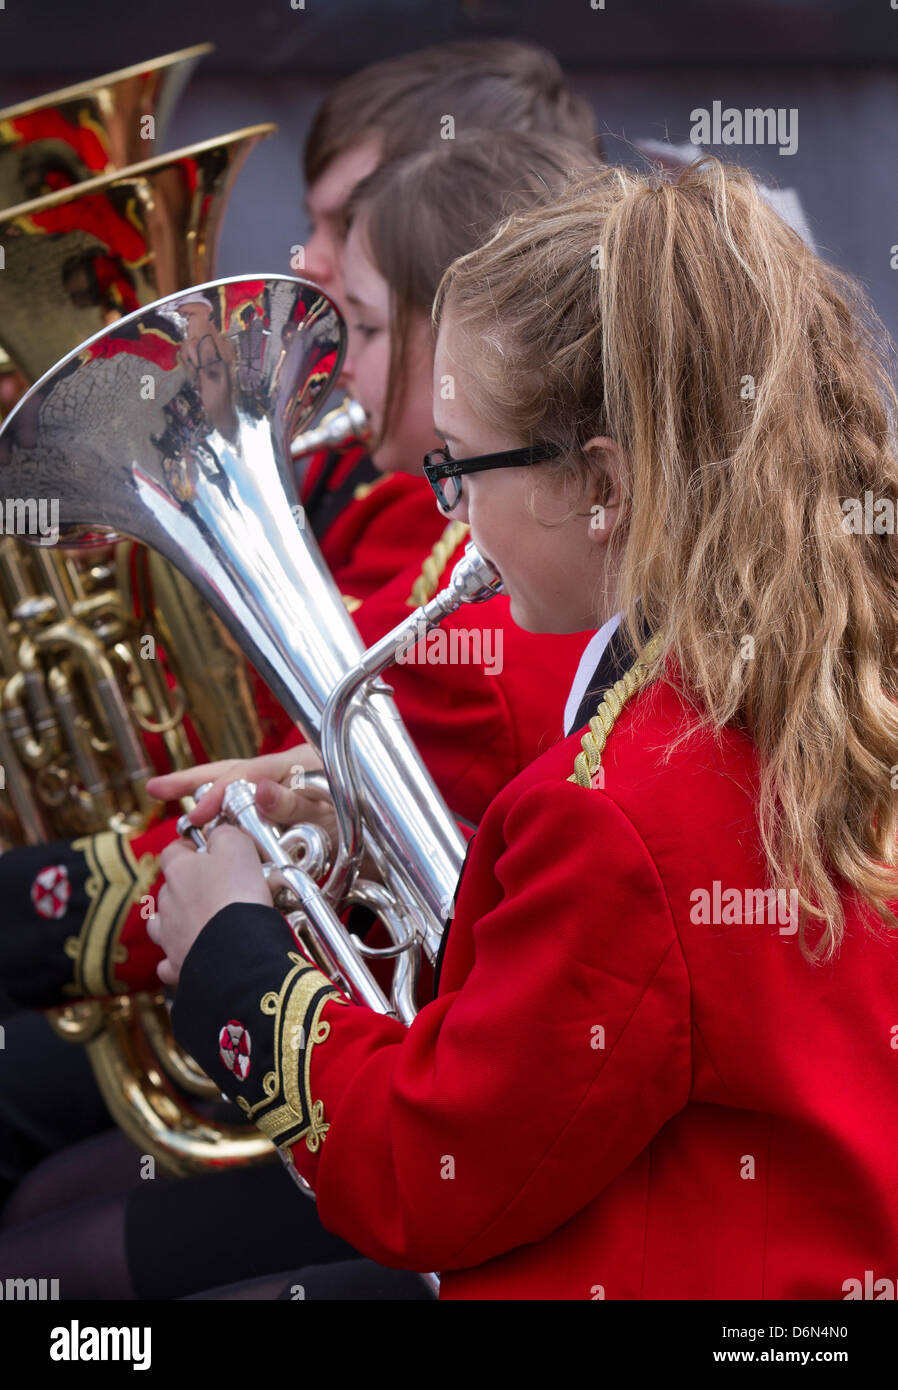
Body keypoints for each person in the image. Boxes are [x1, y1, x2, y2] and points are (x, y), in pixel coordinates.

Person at [148, 157, 898, 1299]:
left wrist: (232, 957)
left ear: (600, 484)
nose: (448, 508)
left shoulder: (623, 812)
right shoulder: (808, 653)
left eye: (460, 466)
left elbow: (427, 1170)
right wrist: (341, 799)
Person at [0, 38, 600, 1228]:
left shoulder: (483, 602)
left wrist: (222, 933)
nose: (301, 272)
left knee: (55, 1227)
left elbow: (462, 1129)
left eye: (361, 305)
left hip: (408, 1114)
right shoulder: (470, 553)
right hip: (397, 1097)